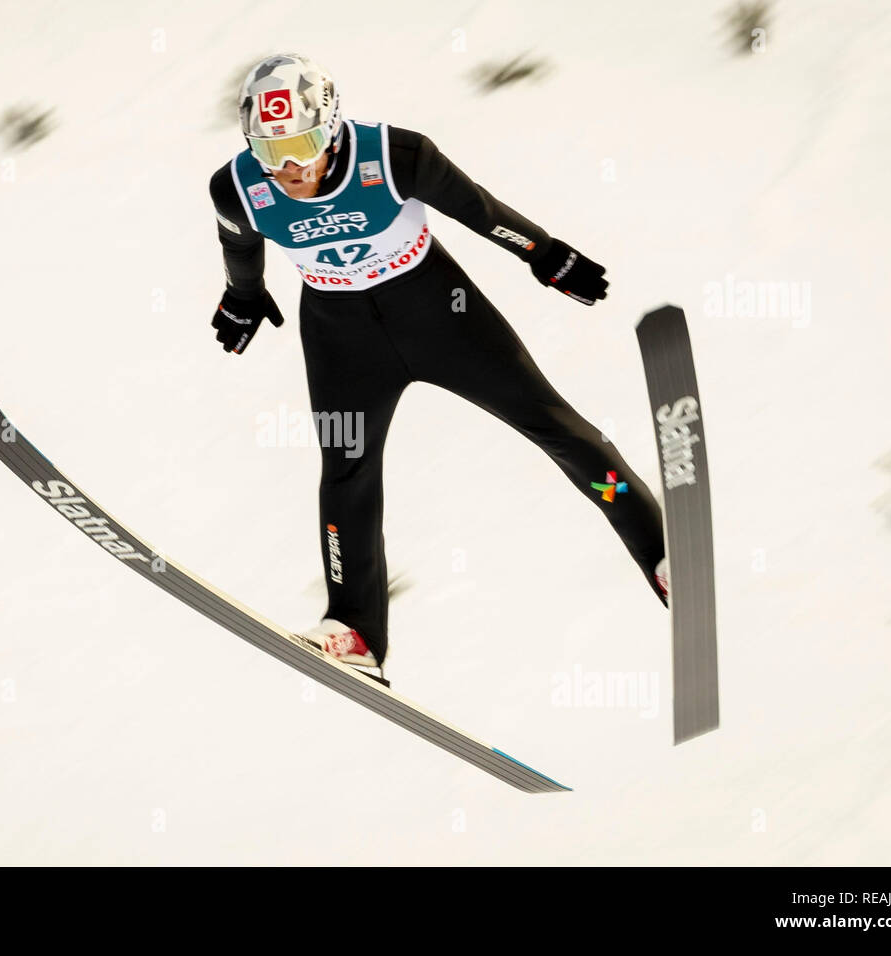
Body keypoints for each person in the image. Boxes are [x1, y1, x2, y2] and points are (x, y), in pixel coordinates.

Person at [209, 53, 668, 682]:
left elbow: (481, 211)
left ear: (333, 127)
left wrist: (546, 255)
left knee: (552, 424)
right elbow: (238, 242)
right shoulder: (236, 187)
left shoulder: (396, 156)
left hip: (441, 315)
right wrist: (243, 294)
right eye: (271, 150)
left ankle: (661, 551)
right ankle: (355, 630)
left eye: (305, 143)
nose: (290, 166)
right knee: (347, 470)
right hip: (341, 340)